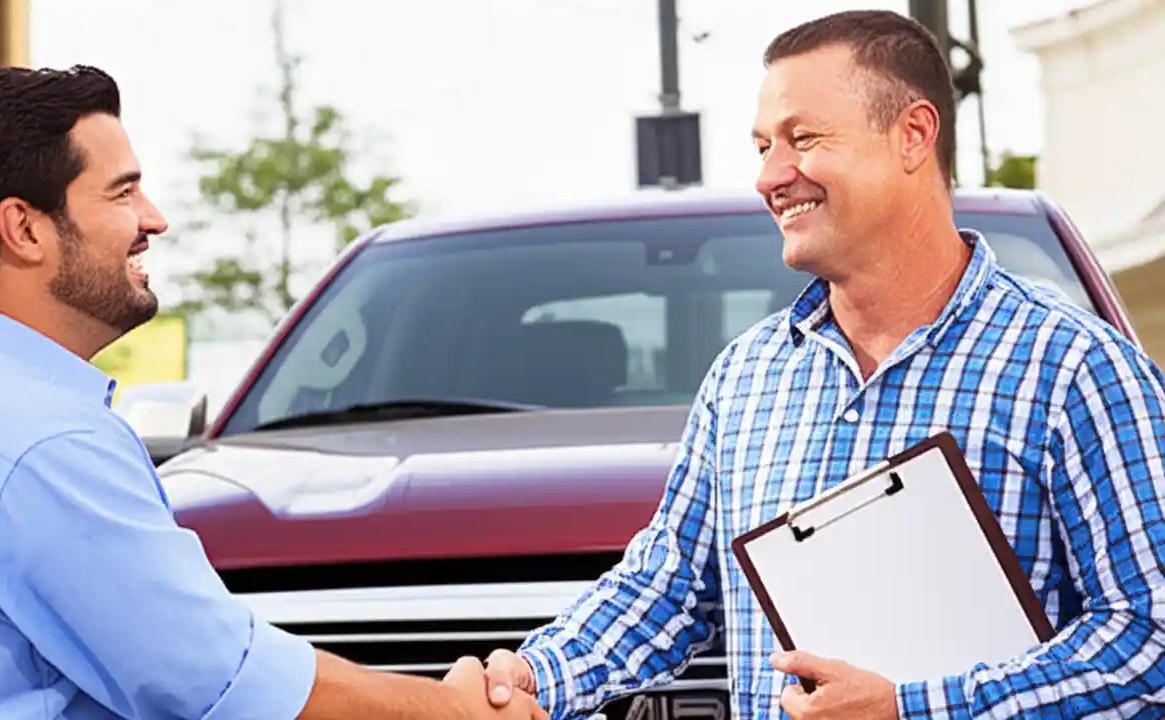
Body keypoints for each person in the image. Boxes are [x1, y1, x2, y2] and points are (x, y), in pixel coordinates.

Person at [480, 9, 1165, 720]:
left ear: (913, 135)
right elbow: (666, 588)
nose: (770, 176)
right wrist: (533, 676)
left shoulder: (1077, 368)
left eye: (802, 139)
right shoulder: (745, 380)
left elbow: (1154, 638)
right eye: (762, 147)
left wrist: (915, 709)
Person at [0, 65, 546, 720]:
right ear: (25, 229)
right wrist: (454, 710)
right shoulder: (44, 440)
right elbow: (230, 688)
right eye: (122, 194)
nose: (155, 218)